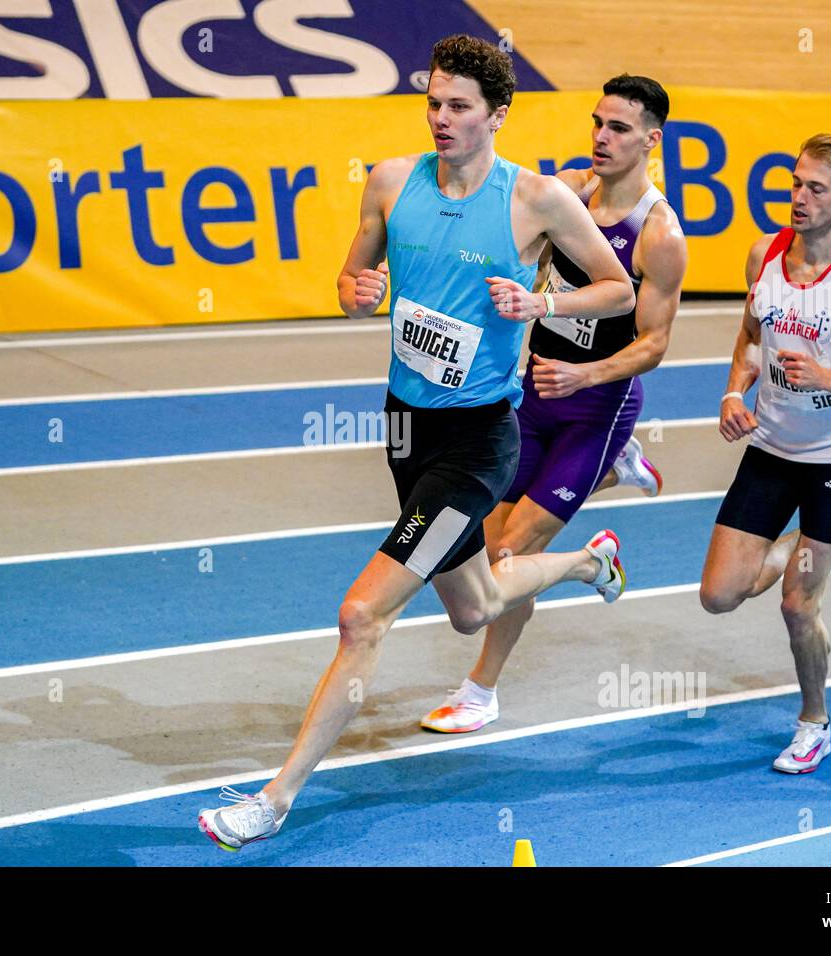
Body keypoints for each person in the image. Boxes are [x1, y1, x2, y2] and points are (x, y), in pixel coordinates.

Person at [198, 34, 636, 850]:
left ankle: (275, 799)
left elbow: (618, 292)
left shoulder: (536, 201)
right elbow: (351, 283)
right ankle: (587, 561)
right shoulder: (392, 181)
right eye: (433, 102)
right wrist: (354, 294)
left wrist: (540, 309)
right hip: (404, 427)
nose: (440, 118)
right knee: (473, 608)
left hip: (477, 444)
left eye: (459, 107)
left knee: (361, 614)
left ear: (498, 116)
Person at [420, 74, 688, 734]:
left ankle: (485, 686)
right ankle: (607, 505)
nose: (601, 135)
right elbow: (524, 264)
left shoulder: (659, 234)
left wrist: (587, 375)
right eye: (597, 121)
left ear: (652, 140)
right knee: (488, 554)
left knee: (510, 556)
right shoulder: (568, 191)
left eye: (619, 128)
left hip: (595, 411)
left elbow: (652, 345)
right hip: (533, 396)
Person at [698, 133, 831, 773]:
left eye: (815, 188)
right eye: (795, 183)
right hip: (769, 444)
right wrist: (734, 393)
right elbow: (749, 336)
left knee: (797, 604)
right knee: (718, 595)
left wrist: (828, 378)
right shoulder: (763, 255)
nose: (798, 197)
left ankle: (814, 721)